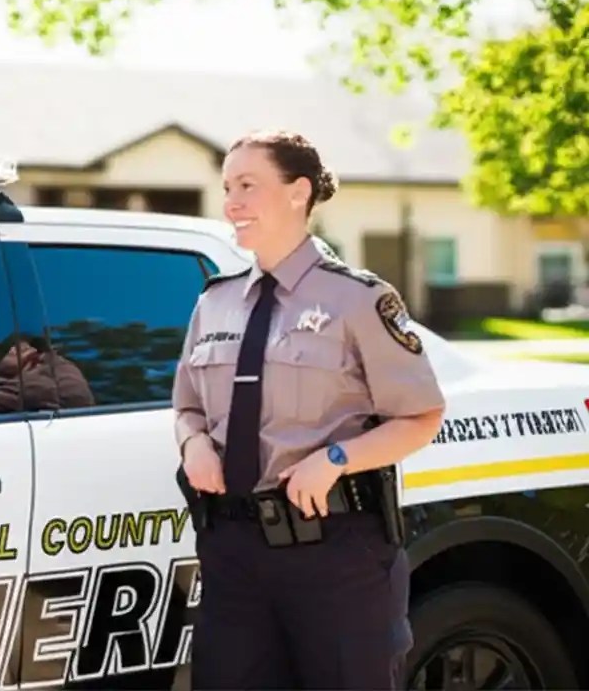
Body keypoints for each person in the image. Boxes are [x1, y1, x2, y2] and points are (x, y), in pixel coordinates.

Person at [171, 129, 446, 690]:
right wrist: (193, 443)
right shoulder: (214, 301)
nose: (232, 204)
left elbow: (421, 417)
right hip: (233, 554)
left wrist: (338, 458)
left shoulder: (358, 298)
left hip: (337, 555)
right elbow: (187, 407)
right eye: (227, 187)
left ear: (299, 193)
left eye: (248, 185)